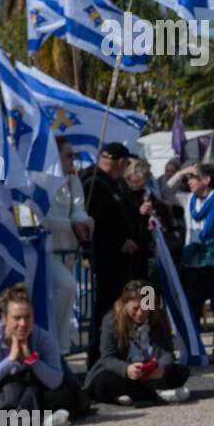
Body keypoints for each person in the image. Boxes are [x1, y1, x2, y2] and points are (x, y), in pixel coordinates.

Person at [0, 284, 88, 426]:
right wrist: (9, 360)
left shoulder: (43, 338)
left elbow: (56, 381)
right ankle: (34, 421)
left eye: (27, 317)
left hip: (37, 388)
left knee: (63, 395)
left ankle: (25, 420)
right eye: (17, 318)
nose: (23, 323)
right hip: (2, 395)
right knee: (7, 395)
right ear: (4, 318)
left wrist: (32, 360)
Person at [85, 280, 191, 404]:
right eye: (135, 308)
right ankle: (154, 395)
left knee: (181, 372)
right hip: (124, 373)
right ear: (125, 305)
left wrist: (162, 367)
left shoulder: (158, 317)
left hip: (150, 372)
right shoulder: (110, 321)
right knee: (104, 383)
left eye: (145, 308)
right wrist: (126, 369)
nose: (140, 313)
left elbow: (168, 353)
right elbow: (107, 358)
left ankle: (133, 394)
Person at [82, 142, 138, 365]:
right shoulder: (94, 183)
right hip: (108, 259)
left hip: (128, 260)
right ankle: (101, 356)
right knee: (108, 309)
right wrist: (119, 242)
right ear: (121, 162)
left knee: (137, 301)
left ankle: (123, 350)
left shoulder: (115, 185)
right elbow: (98, 223)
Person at [37, 136, 93, 355]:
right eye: (69, 155)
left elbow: (78, 208)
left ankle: (61, 350)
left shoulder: (73, 181)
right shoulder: (38, 179)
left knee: (65, 300)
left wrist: (85, 221)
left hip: (68, 252)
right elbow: (39, 217)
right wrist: (72, 224)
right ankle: (54, 347)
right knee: (67, 286)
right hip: (45, 250)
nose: (73, 160)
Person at [181, 162, 214, 352]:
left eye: (193, 177)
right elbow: (166, 191)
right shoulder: (189, 200)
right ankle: (194, 349)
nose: (189, 181)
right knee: (193, 308)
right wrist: (182, 171)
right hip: (193, 263)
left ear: (207, 180)